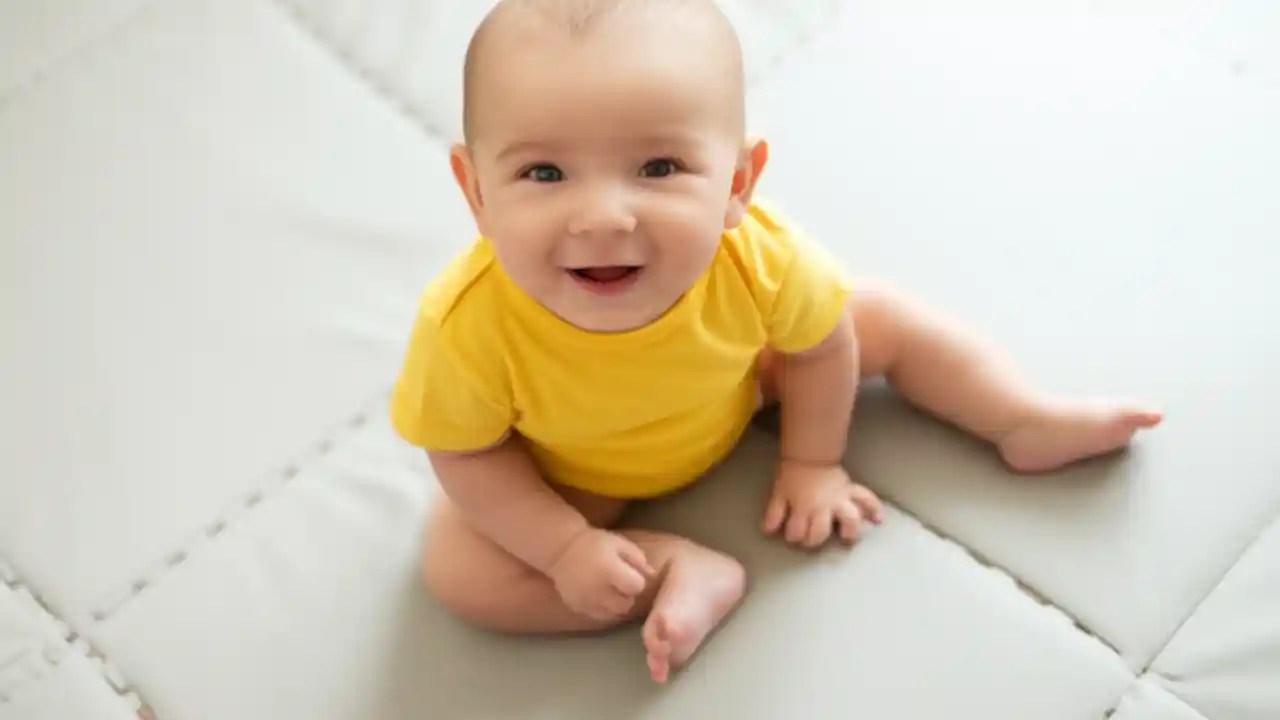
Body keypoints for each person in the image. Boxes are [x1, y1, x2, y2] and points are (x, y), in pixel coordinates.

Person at [390, 0, 1162, 684]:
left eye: (658, 167)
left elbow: (824, 349)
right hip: (576, 470)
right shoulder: (465, 328)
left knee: (873, 314)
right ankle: (675, 574)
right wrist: (562, 548)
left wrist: (812, 463)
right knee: (458, 568)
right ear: (476, 192)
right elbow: (467, 454)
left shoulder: (756, 260)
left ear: (737, 183)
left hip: (741, 386)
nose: (603, 217)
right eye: (546, 172)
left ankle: (1018, 417)